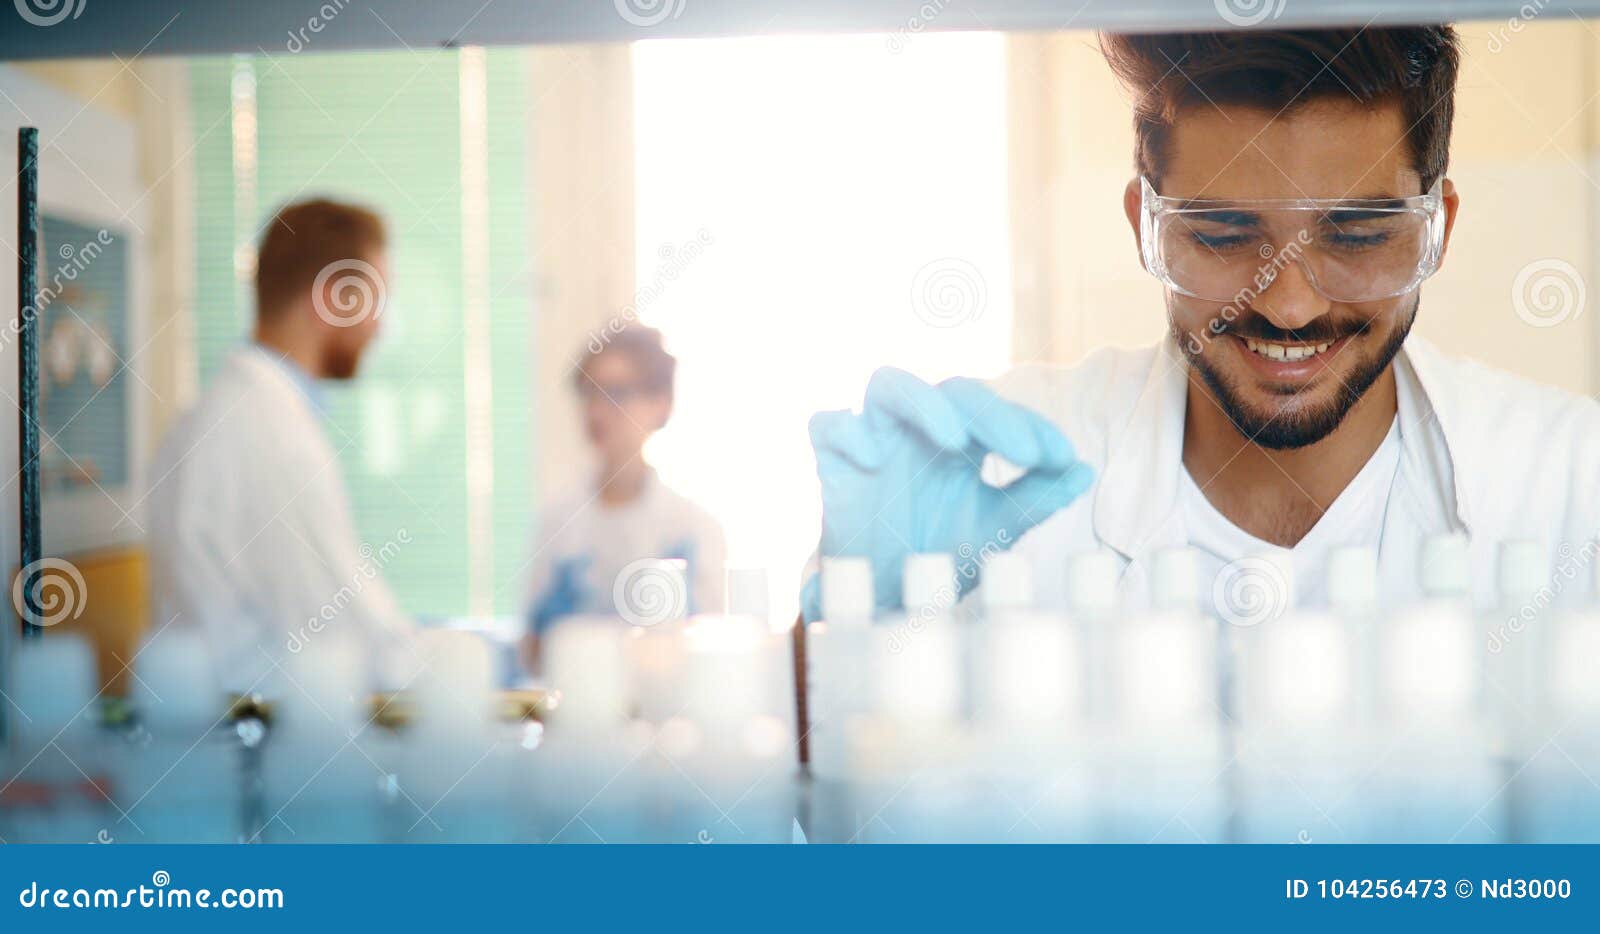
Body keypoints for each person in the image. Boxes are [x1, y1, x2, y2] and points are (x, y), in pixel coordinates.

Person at [804, 26, 1600, 618]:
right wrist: (848, 623)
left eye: (1356, 235)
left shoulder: (1570, 484)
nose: (1290, 304)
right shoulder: (998, 473)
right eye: (1222, 235)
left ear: (1440, 228)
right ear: (1142, 225)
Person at [147, 198, 417, 694]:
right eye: (378, 301)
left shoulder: (204, 420)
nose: (379, 326)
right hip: (270, 745)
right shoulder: (270, 437)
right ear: (336, 298)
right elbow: (347, 636)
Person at [521, 326, 725, 667]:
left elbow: (708, 654)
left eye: (615, 393)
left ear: (661, 405)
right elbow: (530, 653)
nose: (596, 411)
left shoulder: (694, 529)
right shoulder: (556, 522)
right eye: (589, 392)